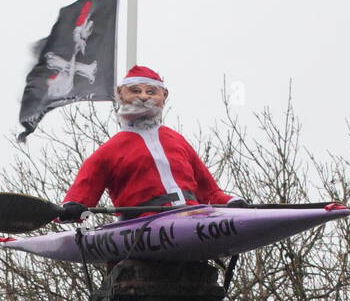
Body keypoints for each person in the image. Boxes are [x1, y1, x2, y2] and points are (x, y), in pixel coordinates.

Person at [59, 65, 247, 220]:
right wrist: (70, 209)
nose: (143, 96)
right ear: (120, 94)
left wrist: (231, 202)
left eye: (151, 91)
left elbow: (210, 192)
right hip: (142, 225)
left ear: (164, 95)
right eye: (135, 91)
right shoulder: (108, 152)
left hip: (192, 218)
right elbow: (80, 198)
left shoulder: (178, 141)